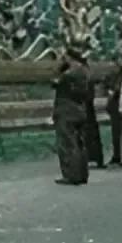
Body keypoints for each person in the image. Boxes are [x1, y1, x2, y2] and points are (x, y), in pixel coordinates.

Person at [51, 56, 90, 185]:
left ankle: (71, 174)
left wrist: (59, 68)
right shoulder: (84, 72)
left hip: (66, 112)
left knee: (67, 144)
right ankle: (82, 173)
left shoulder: (67, 75)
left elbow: (53, 81)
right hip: (80, 110)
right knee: (80, 143)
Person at [73, 52, 105, 168]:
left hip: (84, 106)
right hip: (88, 107)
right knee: (92, 134)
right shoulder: (87, 73)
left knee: (86, 134)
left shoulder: (82, 74)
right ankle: (96, 158)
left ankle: (87, 158)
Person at [105, 54, 122, 165]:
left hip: (121, 103)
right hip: (116, 104)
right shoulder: (116, 74)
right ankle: (118, 155)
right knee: (117, 132)